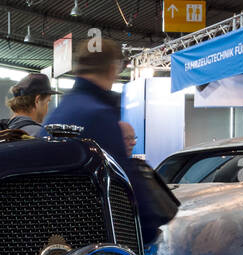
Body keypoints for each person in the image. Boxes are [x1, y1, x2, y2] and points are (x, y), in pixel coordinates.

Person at [42, 37, 166, 240]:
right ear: (112, 70)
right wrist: (148, 229)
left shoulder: (58, 113)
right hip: (91, 238)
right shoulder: (99, 114)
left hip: (57, 234)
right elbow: (122, 184)